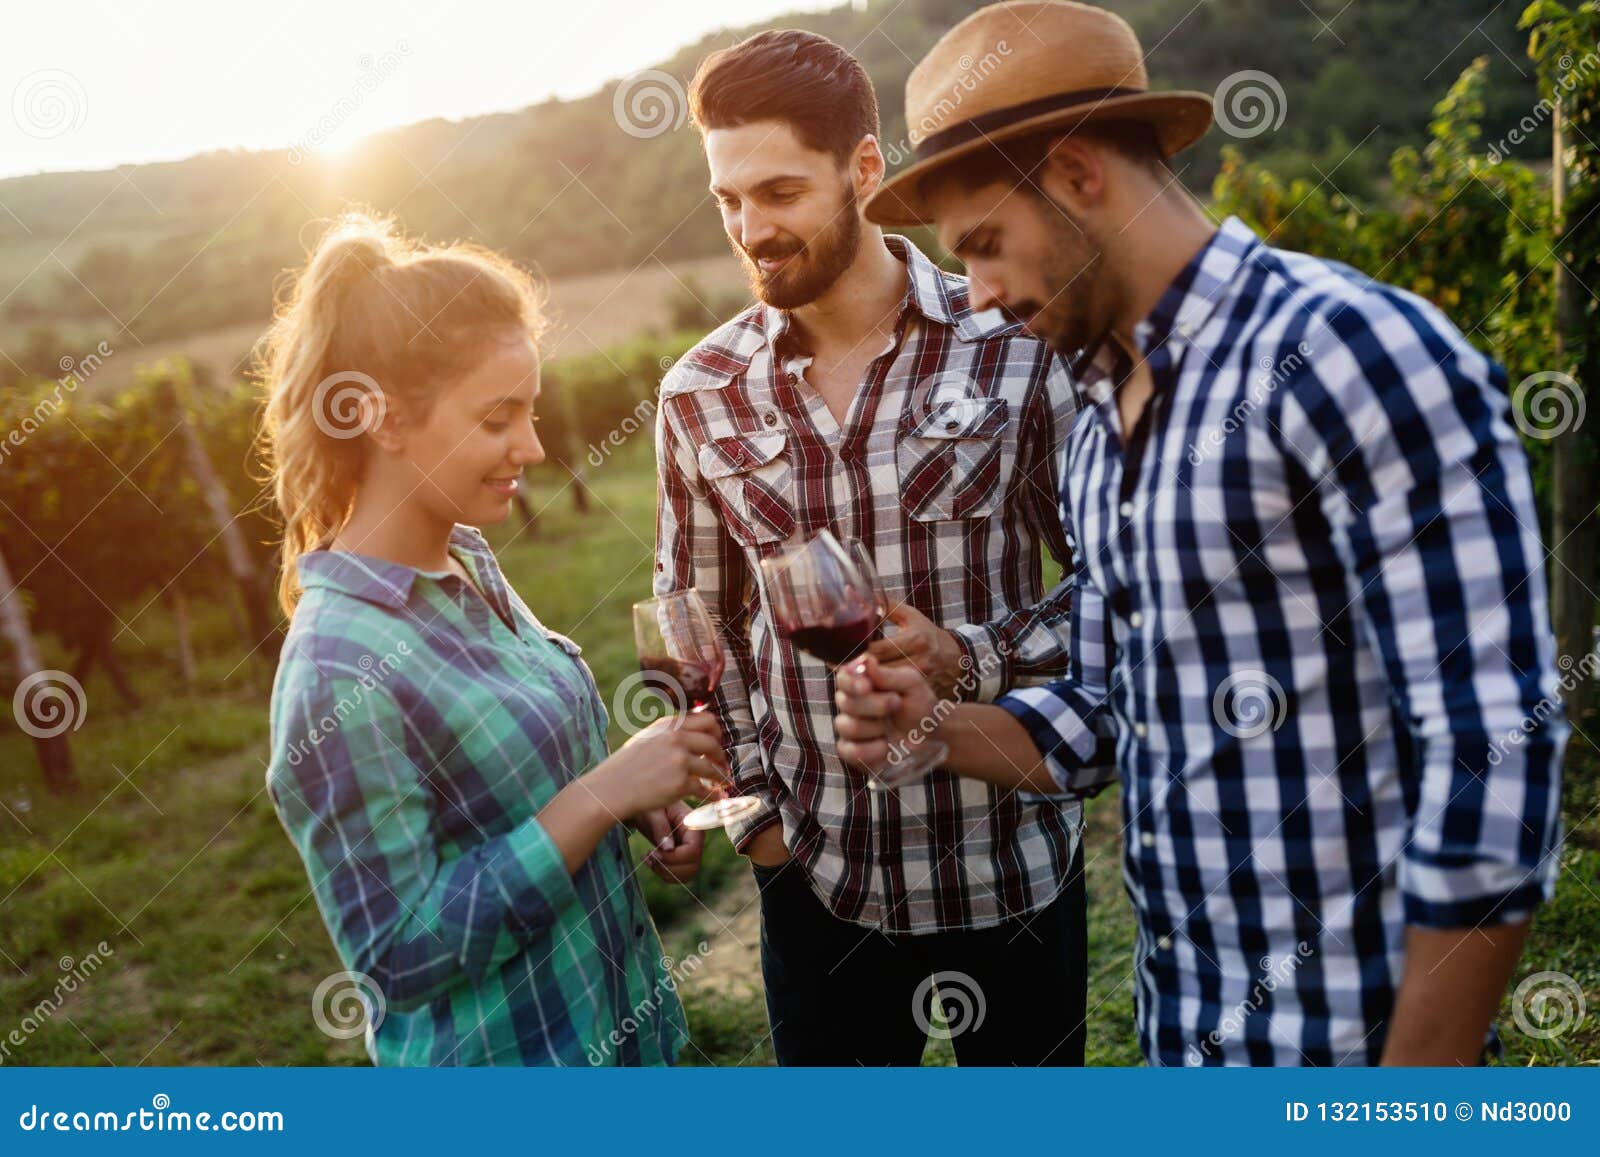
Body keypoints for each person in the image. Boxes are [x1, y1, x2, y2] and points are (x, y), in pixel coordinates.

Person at [835, 0, 1565, 1066]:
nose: (981, 297)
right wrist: (938, 727)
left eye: (986, 245)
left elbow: (1495, 751)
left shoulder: (1348, 350)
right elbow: (1103, 713)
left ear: (1080, 174)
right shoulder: (1094, 423)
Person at [655, 28, 1091, 1066]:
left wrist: (968, 654)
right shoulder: (698, 394)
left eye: (778, 192)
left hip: (1008, 861)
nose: (751, 229)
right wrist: (758, 821)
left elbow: (1112, 588)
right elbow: (691, 630)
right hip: (819, 884)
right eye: (728, 202)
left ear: (862, 168)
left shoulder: (1013, 343)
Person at [262, 212, 719, 1066]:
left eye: (531, 411)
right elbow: (399, 955)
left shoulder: (468, 558)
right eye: (498, 417)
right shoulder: (335, 670)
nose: (534, 446)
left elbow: (509, 797)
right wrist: (597, 798)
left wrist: (630, 800)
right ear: (384, 421)